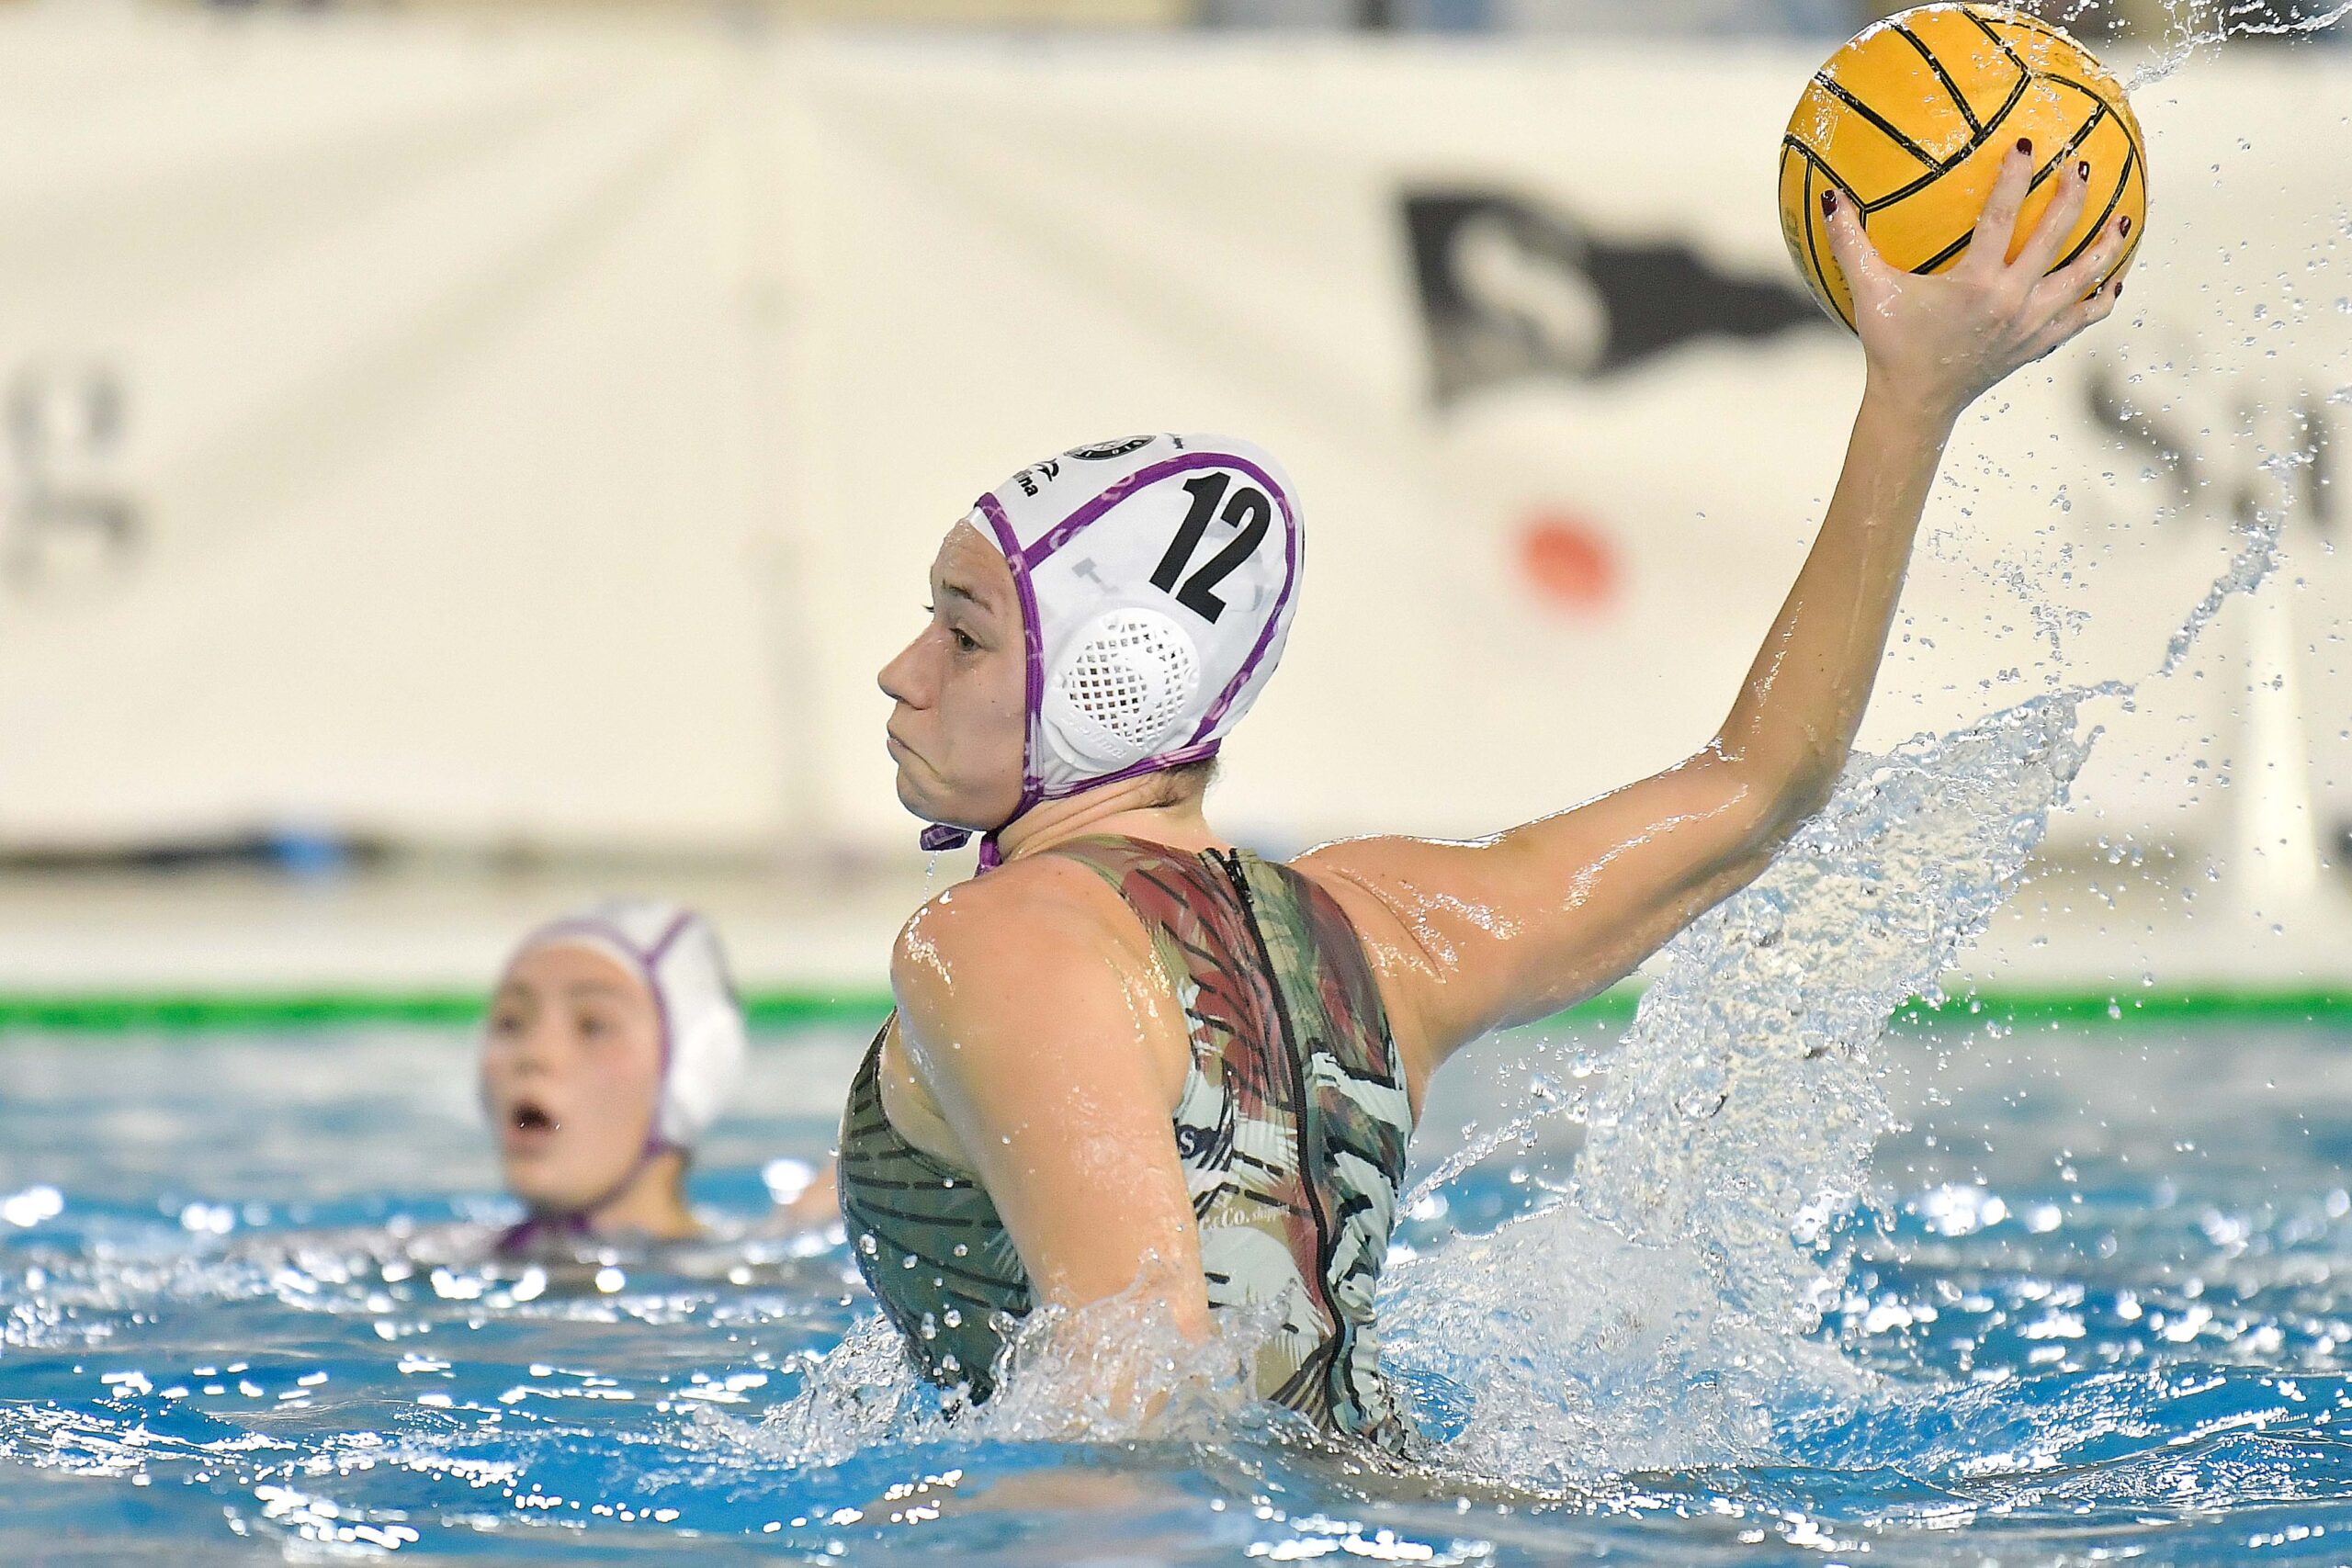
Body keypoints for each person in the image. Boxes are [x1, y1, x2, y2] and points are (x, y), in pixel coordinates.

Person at [841, 145, 2129, 1448]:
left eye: (964, 632)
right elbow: (1757, 784)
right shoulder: (1384, 928)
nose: (902, 672)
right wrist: (1910, 406)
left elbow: (1140, 1387)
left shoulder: (996, 939)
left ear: (1113, 682)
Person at [482, 898, 835, 1252]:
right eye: (511, 1022)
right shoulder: (444, 1255)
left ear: (690, 1076)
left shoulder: (766, 1273)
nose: (534, 1054)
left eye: (593, 1026)